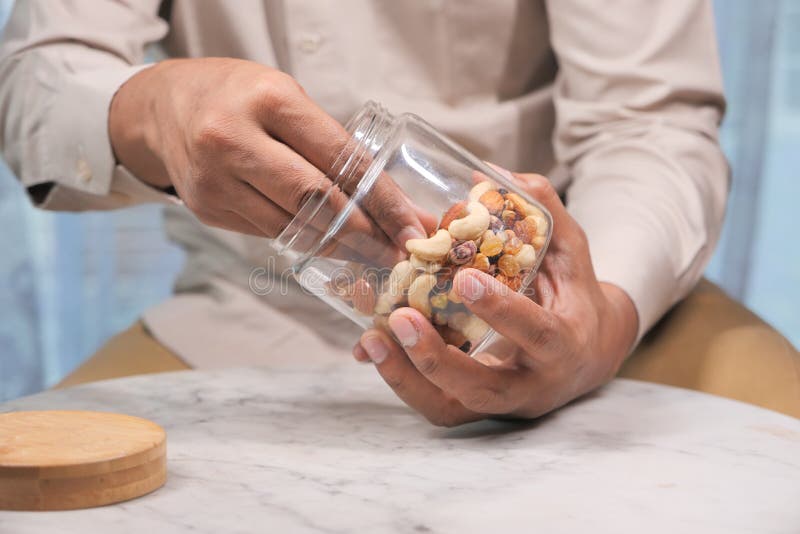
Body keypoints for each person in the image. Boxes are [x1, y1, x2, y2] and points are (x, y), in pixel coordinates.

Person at [1, 1, 797, 421]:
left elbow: (648, 120)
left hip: (576, 285)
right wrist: (149, 109)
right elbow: (38, 78)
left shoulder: (591, 300)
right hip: (251, 300)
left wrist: (603, 319)